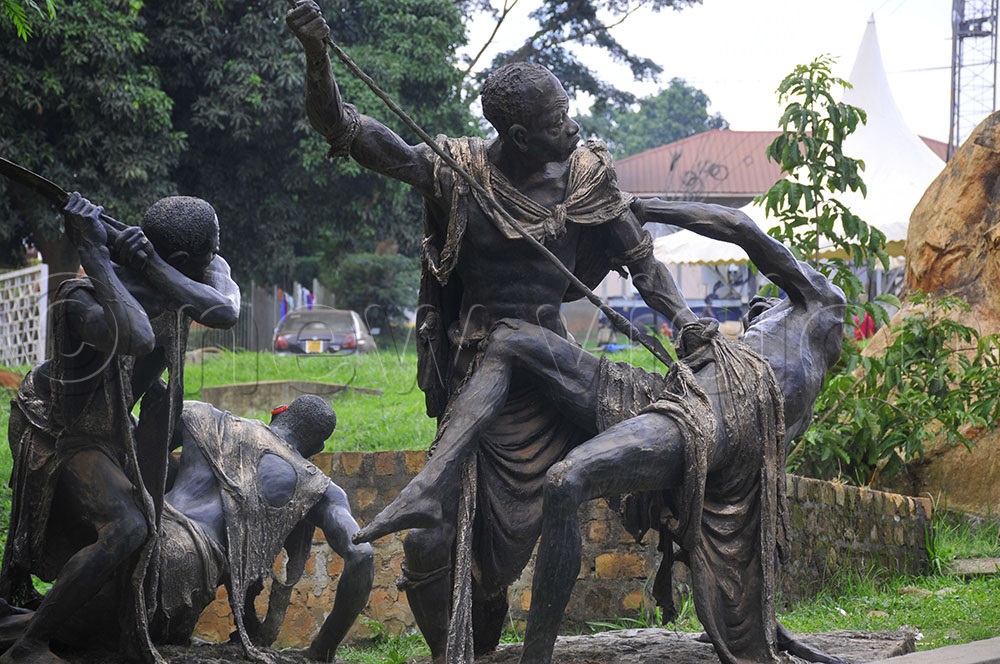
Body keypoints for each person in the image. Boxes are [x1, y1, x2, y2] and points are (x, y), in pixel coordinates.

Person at [286, 2, 696, 660]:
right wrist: (316, 57)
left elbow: (643, 262)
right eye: (558, 121)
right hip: (479, 385)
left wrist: (690, 325)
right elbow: (347, 130)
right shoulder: (458, 173)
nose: (573, 128)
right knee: (429, 548)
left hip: (552, 380)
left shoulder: (584, 181)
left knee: (511, 555)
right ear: (520, 134)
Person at [355, 200, 849, 664]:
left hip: (710, 420)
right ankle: (429, 484)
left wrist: (638, 207)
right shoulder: (780, 351)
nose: (757, 306)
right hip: (671, 396)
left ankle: (536, 658)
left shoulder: (820, 303)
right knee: (510, 337)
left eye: (764, 302)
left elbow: (739, 227)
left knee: (566, 480)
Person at [0, 193, 240, 664]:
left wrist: (153, 265)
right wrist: (94, 255)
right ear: (185, 260)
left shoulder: (193, 271)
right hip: (59, 427)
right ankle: (28, 645)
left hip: (115, 425)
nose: (219, 257)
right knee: (127, 525)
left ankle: (109, 621)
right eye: (213, 249)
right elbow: (137, 336)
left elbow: (225, 309)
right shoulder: (83, 299)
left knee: (163, 501)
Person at [0, 396, 374, 663]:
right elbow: (360, 554)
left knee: (69, 621)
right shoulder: (318, 488)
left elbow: (138, 448)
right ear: (318, 447)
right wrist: (323, 649)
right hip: (182, 571)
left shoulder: (202, 416)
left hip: (134, 524)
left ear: (279, 413)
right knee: (73, 625)